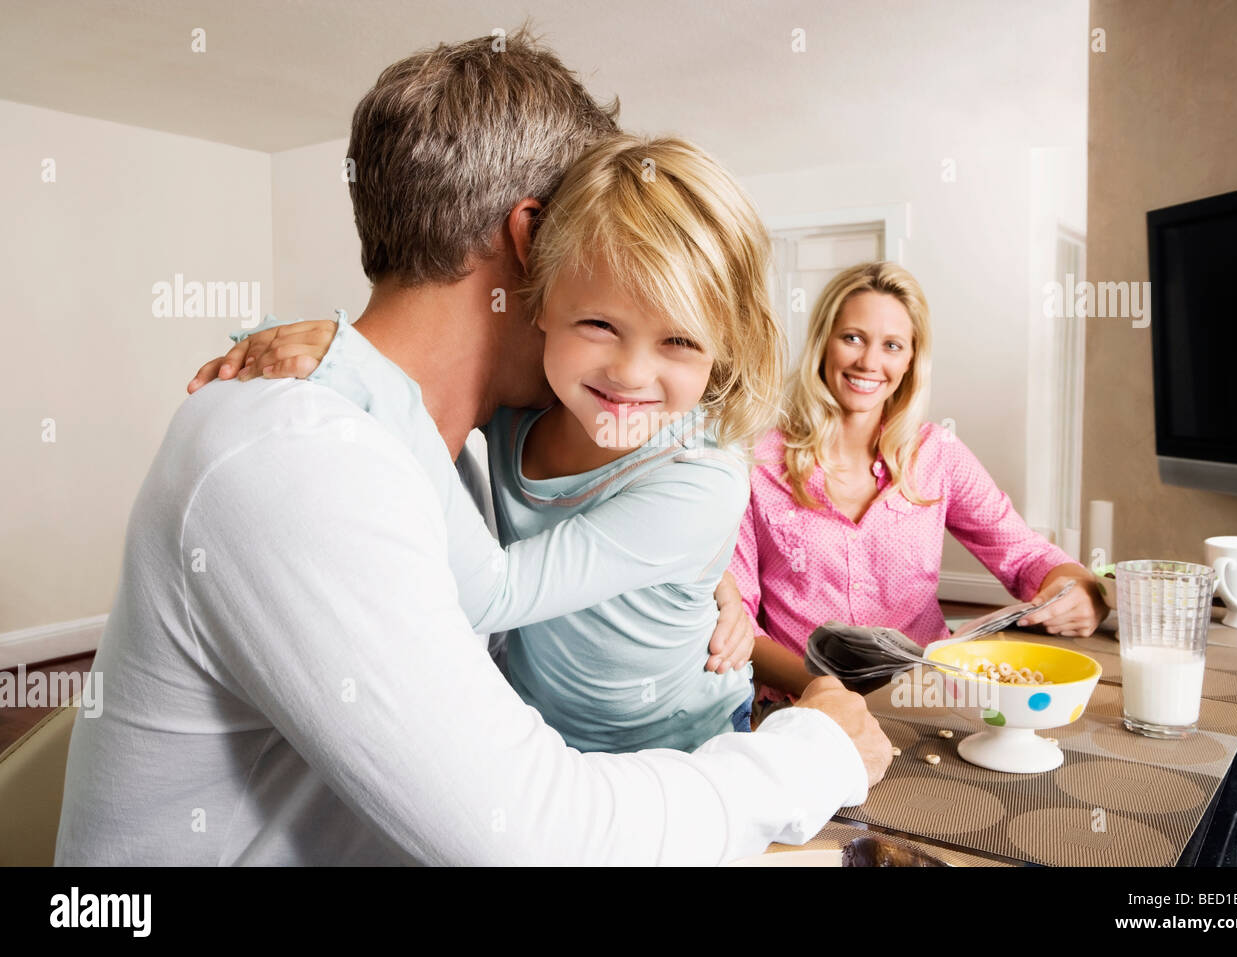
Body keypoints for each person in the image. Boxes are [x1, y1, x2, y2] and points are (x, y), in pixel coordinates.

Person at [54, 30, 891, 867]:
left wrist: (707, 581)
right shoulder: (302, 457)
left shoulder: (446, 445)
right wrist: (815, 749)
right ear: (538, 241)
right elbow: (532, 836)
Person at [204, 134, 785, 752]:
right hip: (549, 732)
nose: (631, 374)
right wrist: (297, 349)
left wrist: (367, 373)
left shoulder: (703, 477)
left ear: (725, 344)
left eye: (680, 341)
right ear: (540, 299)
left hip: (680, 743)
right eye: (598, 325)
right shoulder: (525, 409)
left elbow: (495, 593)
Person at [730, 261, 1107, 709]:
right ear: (823, 342)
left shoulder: (937, 454)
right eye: (852, 337)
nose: (869, 362)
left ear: (911, 359)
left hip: (926, 702)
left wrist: (1085, 593)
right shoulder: (757, 462)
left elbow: (1027, 556)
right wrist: (822, 691)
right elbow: (737, 620)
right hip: (803, 706)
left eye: (892, 345)